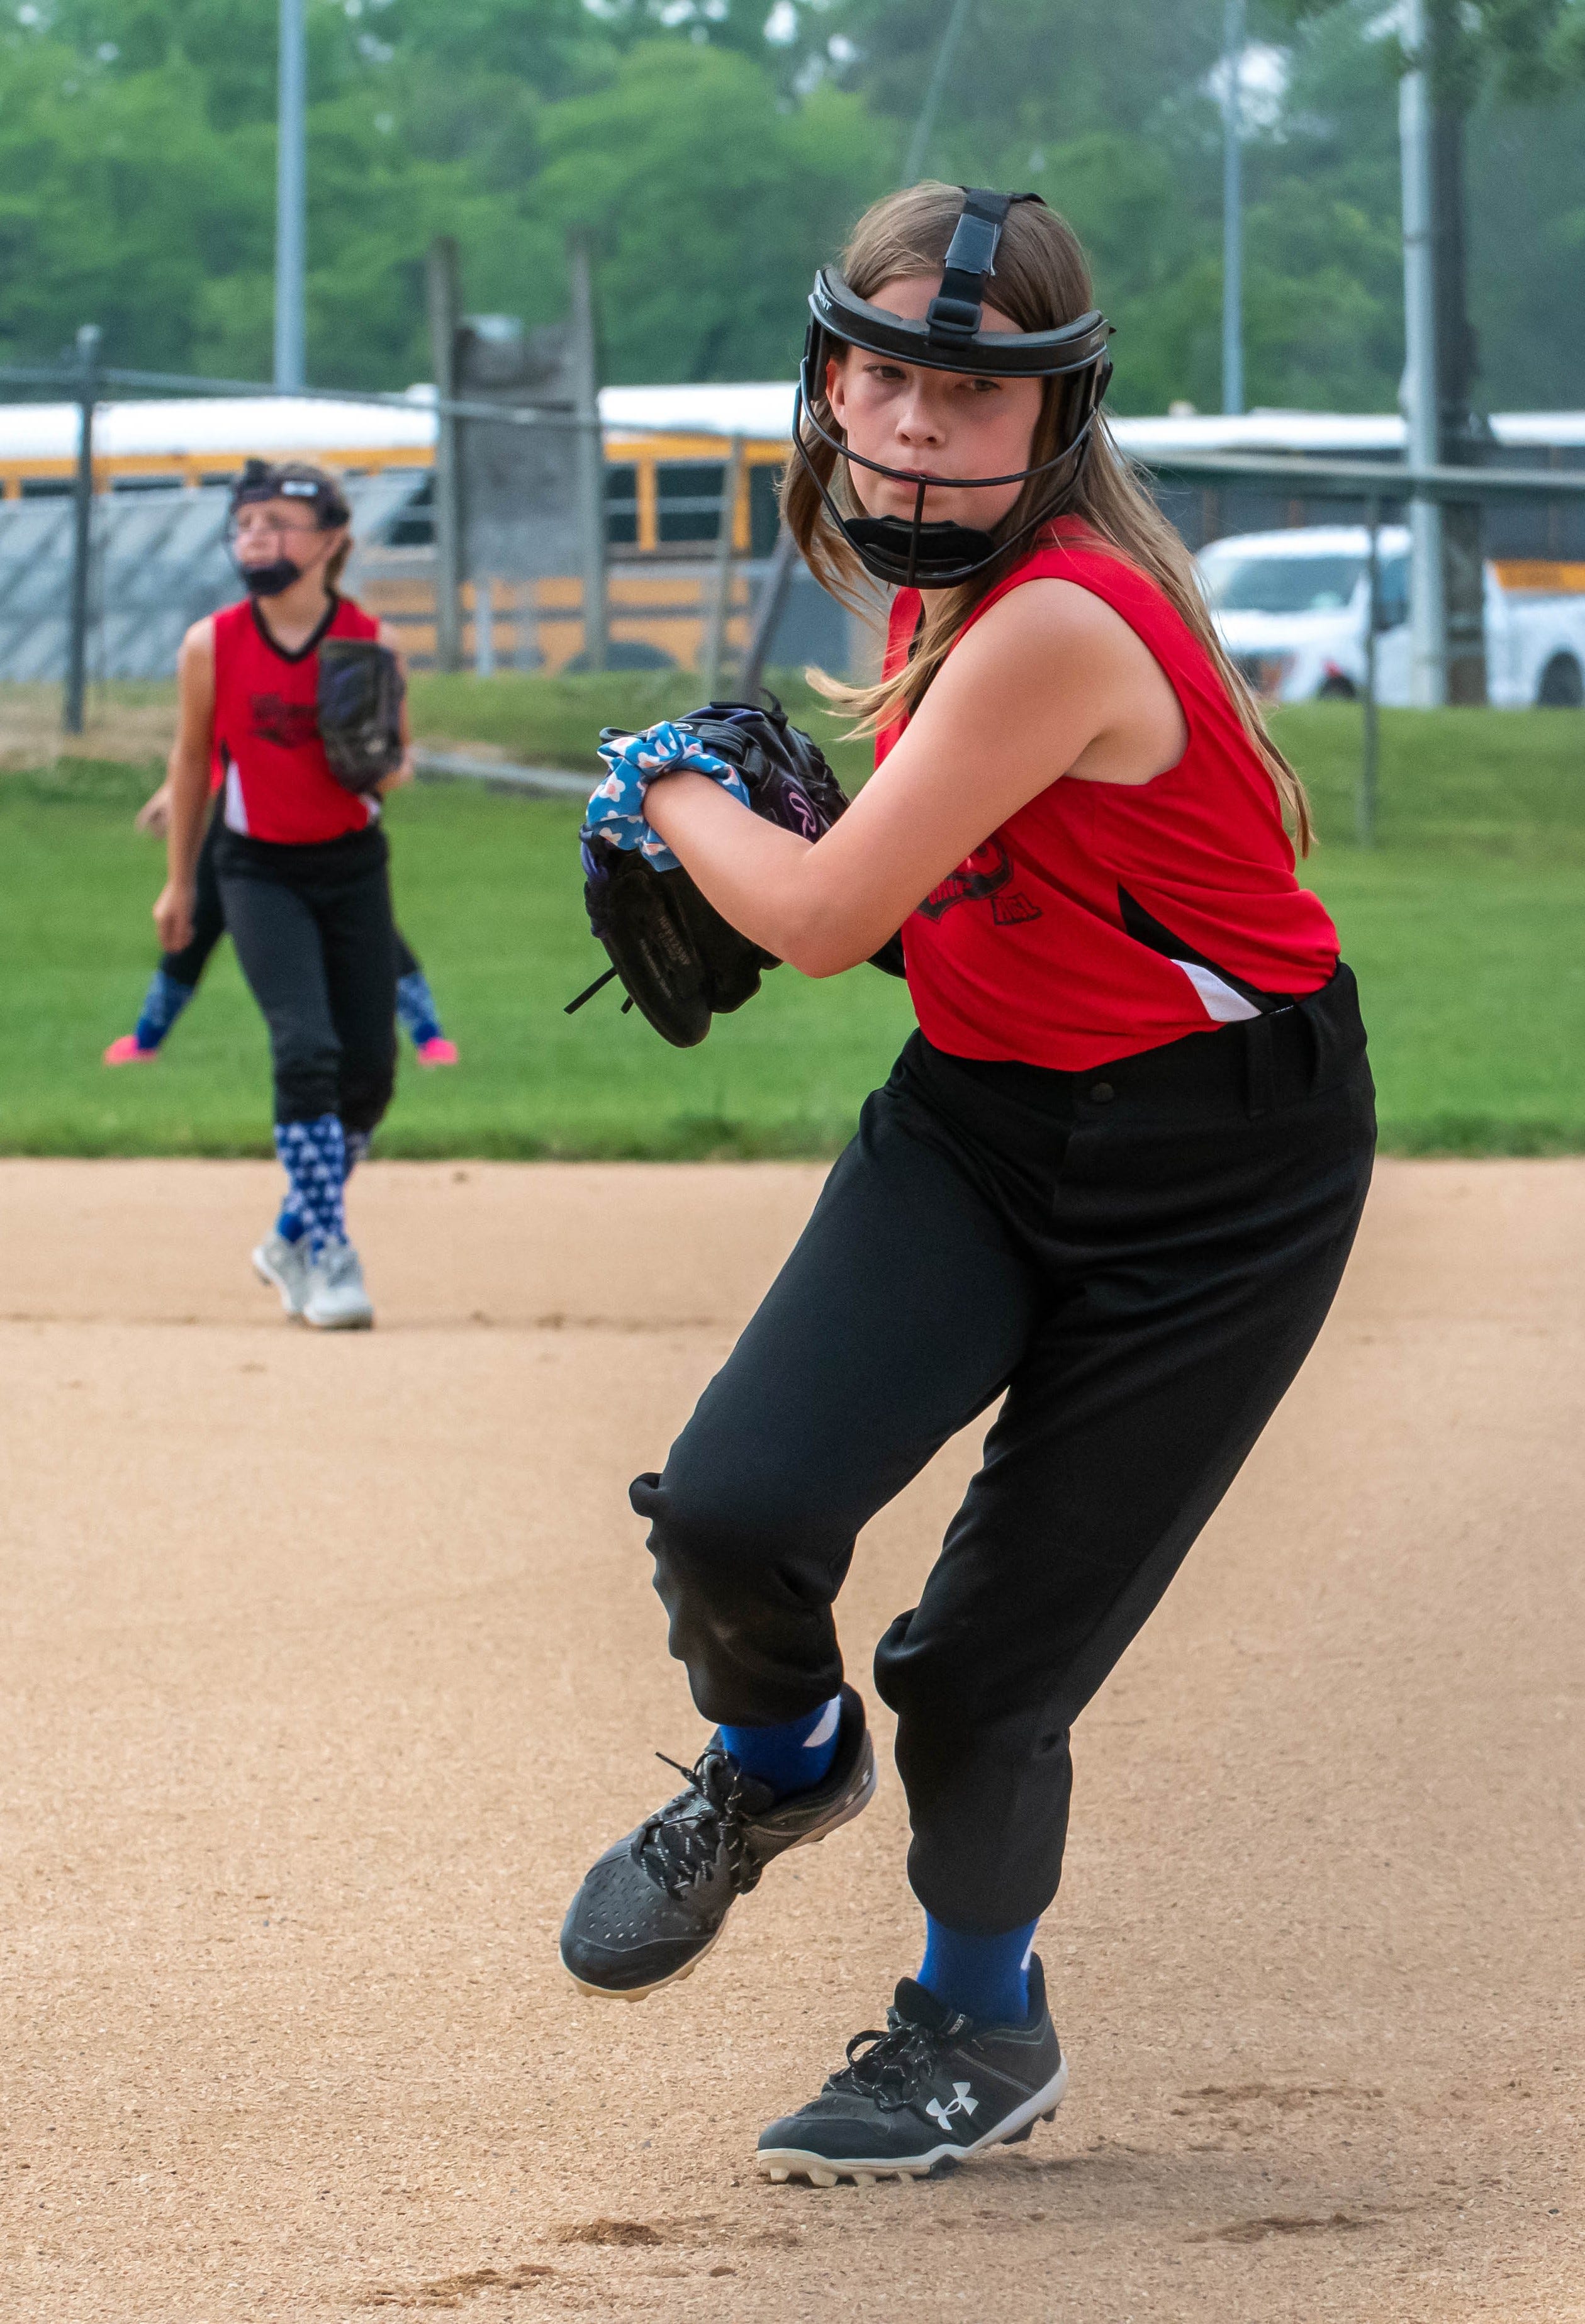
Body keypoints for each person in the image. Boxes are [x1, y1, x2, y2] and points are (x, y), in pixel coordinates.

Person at [557, 184, 1376, 2186]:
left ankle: (973, 2019)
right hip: (987, 1118)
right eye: (885, 374)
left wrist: (663, 783)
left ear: (1054, 414)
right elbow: (978, 898)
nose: (915, 423)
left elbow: (831, 917)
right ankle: (769, 1768)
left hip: (1220, 1181)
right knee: (737, 1510)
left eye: (967, 390)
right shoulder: (937, 589)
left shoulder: (1060, 617)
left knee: (980, 1670)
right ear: (827, 380)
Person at [153, 458, 410, 1330]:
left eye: (277, 524)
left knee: (368, 1074)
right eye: (245, 525)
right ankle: (330, 1250)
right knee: (306, 1051)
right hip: (256, 870)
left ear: (330, 540)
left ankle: (291, 1233)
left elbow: (394, 763)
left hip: (350, 867)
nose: (255, 538)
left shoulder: (366, 642)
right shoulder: (211, 643)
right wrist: (180, 882)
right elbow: (192, 762)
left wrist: (382, 760)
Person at [105, 784, 458, 1067]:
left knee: (367, 930)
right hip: (241, 823)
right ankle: (146, 1040)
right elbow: (215, 735)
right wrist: (178, 789)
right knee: (198, 922)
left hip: (315, 816)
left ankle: (430, 1036)